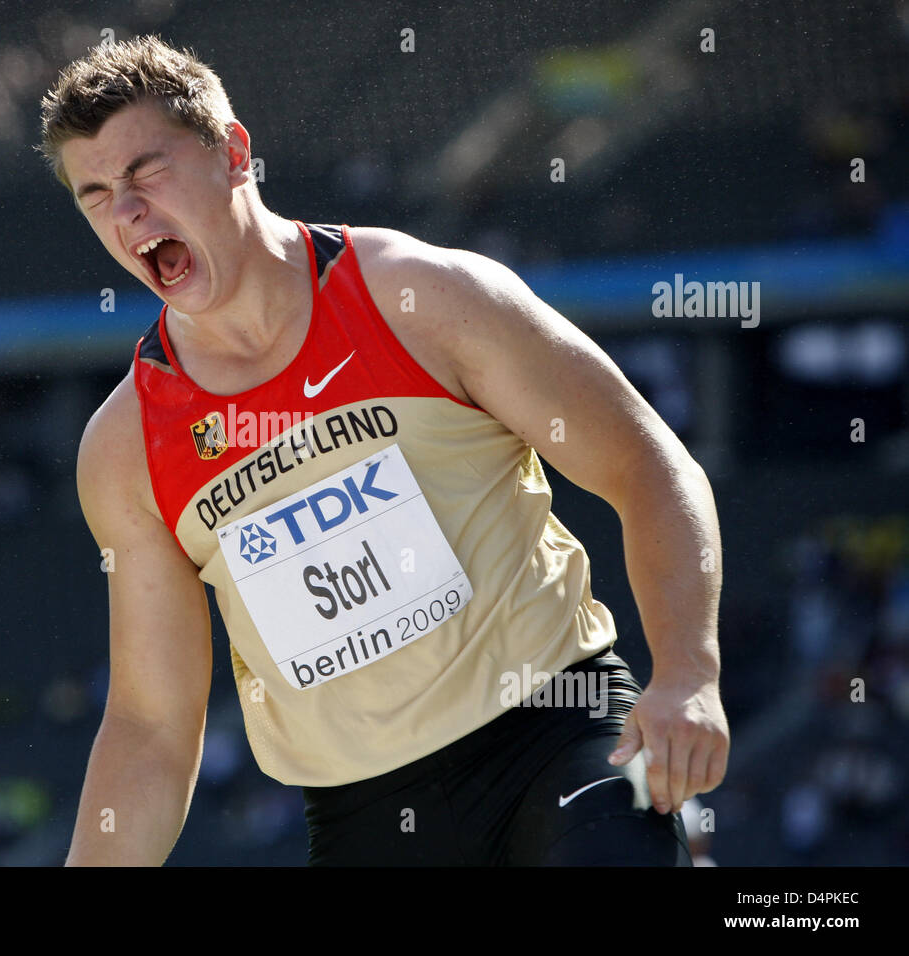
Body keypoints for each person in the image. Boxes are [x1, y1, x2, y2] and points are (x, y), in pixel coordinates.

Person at [39, 34, 729, 866]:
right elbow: (152, 724)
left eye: (146, 172)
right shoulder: (126, 449)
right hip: (368, 817)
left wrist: (688, 672)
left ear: (233, 154)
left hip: (557, 741)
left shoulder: (423, 298)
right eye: (96, 195)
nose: (127, 213)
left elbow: (647, 466)